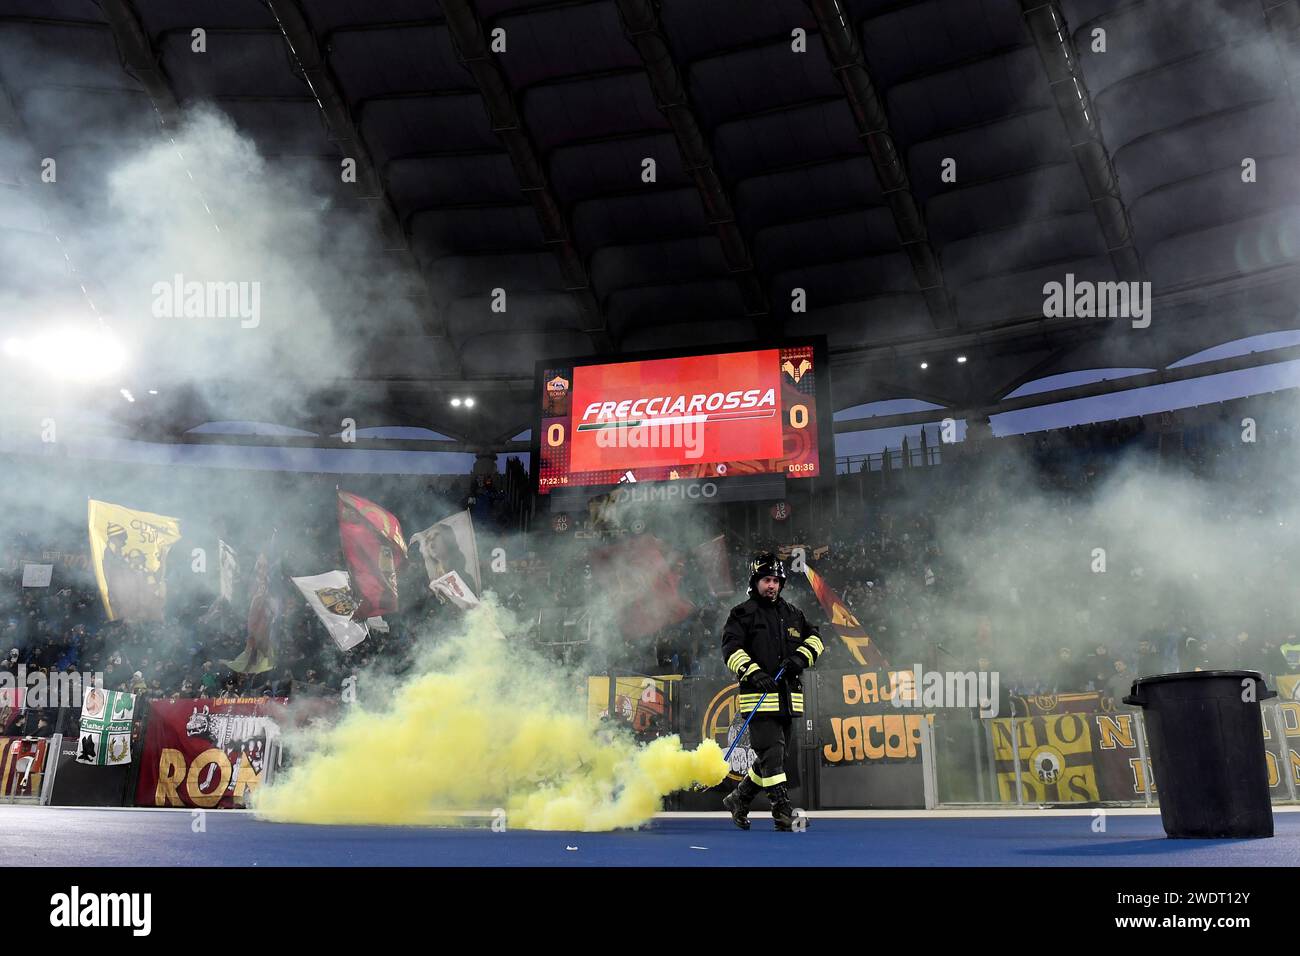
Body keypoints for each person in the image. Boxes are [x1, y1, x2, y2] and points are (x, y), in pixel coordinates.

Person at [720, 552, 823, 832]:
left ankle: (739, 799)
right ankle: (782, 812)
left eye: (776, 580)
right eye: (767, 579)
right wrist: (754, 673)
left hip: (788, 698)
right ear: (755, 582)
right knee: (773, 753)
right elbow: (730, 649)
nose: (772, 585)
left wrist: (800, 658)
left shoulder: (793, 614)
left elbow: (816, 639)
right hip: (759, 698)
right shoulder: (742, 613)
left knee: (770, 758)